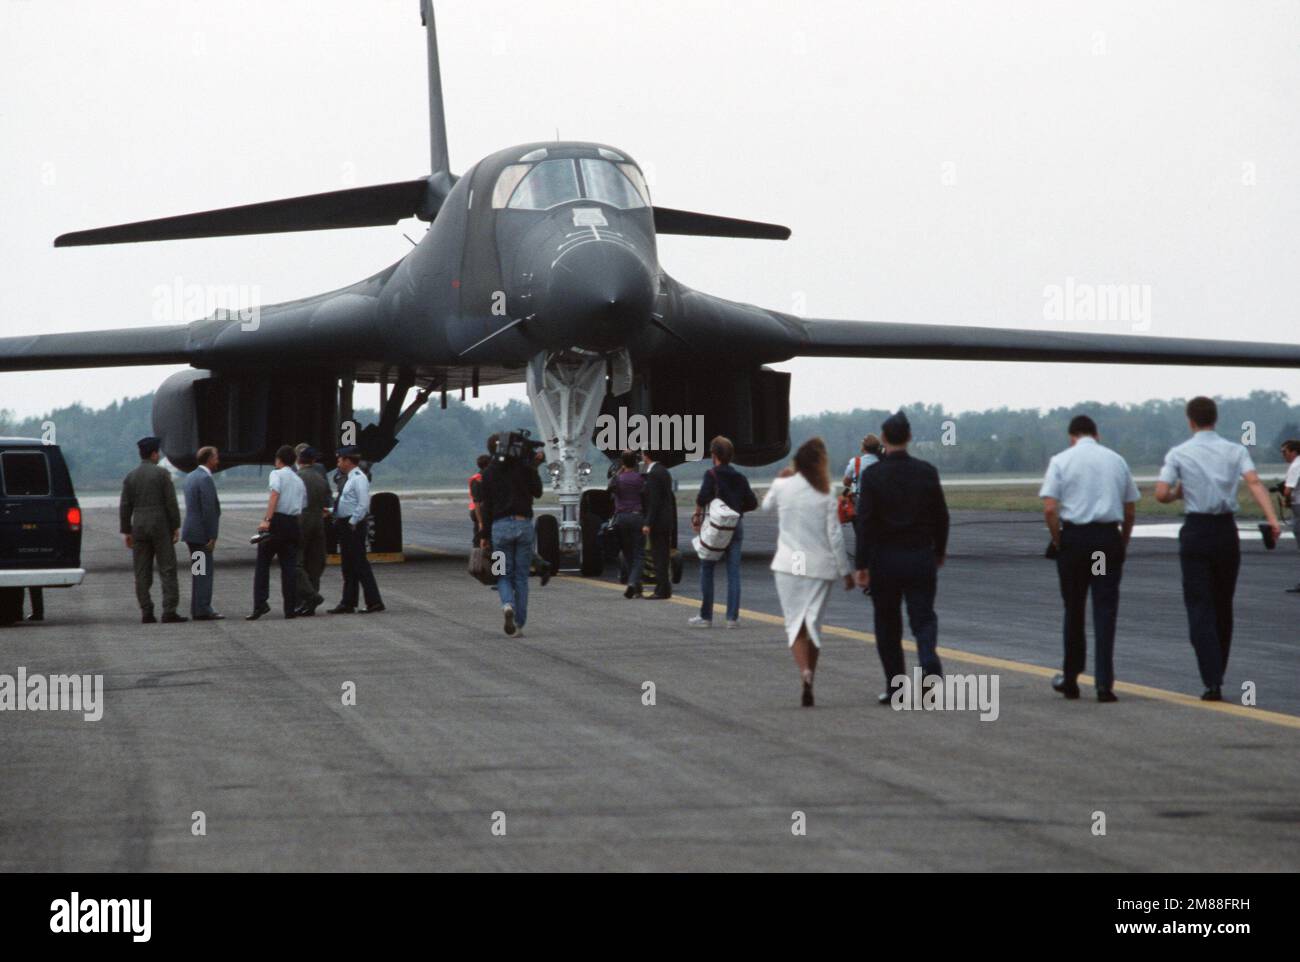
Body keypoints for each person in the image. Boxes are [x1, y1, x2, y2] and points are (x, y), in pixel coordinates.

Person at [1155, 397, 1280, 700]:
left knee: (1199, 606)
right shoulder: (1236, 450)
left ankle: (1211, 678)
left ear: (1190, 421)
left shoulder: (1179, 453)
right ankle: (1218, 672)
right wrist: (1273, 519)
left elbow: (1161, 494)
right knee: (1223, 605)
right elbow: (1253, 483)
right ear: (1215, 419)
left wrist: (1176, 494)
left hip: (1196, 531)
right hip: (1226, 532)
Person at [1038, 416, 1139, 702]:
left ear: (1072, 436)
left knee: (1074, 609)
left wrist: (1059, 541)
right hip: (1103, 544)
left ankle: (1070, 678)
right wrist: (1123, 543)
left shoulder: (1061, 460)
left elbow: (1049, 509)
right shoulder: (1116, 460)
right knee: (1104, 610)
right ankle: (1104, 684)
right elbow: (1130, 510)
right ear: (1097, 433)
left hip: (1076, 543)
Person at [854, 411, 949, 703]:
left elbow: (865, 523)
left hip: (885, 561)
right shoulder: (927, 471)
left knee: (887, 624)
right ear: (909, 438)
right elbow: (941, 517)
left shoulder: (871, 475)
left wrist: (862, 564)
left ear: (883, 440)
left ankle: (896, 687)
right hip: (920, 556)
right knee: (923, 617)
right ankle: (928, 663)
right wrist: (939, 551)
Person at [763, 438, 853, 707]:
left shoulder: (782, 486)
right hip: (818, 566)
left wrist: (779, 479)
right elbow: (835, 536)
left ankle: (803, 672)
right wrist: (845, 571)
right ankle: (810, 674)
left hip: (789, 564)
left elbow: (766, 508)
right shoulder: (827, 492)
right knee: (813, 623)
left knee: (795, 624)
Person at [689, 436, 757, 628]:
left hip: (716, 528)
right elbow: (752, 502)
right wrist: (736, 511)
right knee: (733, 572)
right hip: (736, 526)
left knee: (707, 567)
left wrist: (697, 517)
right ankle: (732, 618)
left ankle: (706, 617)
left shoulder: (711, 475)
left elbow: (702, 497)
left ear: (715, 455)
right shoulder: (740, 477)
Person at [480, 436, 544, 636]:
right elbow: (538, 492)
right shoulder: (524, 468)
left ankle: (507, 604)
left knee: (501, 574)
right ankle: (519, 624)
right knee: (521, 577)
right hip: (524, 526)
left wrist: (484, 534)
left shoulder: (489, 472)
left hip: (500, 530)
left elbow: (485, 505)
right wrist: (534, 466)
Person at [119, 436, 185, 624]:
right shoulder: (162, 474)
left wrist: (126, 530)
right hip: (160, 525)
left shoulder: (131, 476)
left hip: (138, 525)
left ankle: (146, 611)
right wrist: (175, 526)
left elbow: (124, 506)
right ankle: (169, 610)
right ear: (154, 454)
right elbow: (171, 503)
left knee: (141, 570)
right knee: (167, 568)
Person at [249, 444, 306, 621]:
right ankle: (290, 608)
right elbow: (303, 505)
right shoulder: (299, 480)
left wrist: (267, 520)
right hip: (293, 523)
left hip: (277, 521)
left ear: (279, 460)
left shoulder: (276, 474)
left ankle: (261, 603)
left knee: (263, 564)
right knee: (288, 568)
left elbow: (275, 494)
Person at [330, 446, 385, 615]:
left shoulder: (358, 478)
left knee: (360, 564)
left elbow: (363, 504)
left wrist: (353, 521)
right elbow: (348, 502)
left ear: (347, 460)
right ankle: (348, 602)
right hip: (346, 523)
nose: (338, 462)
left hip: (353, 525)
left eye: (340, 459)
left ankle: (374, 601)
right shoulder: (349, 478)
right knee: (348, 565)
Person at [181, 445, 223, 621]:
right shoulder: (205, 479)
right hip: (202, 533)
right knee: (204, 572)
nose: (218, 461)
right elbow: (209, 509)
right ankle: (204, 608)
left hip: (191, 532)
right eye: (216, 457)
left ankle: (197, 608)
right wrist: (212, 535)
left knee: (198, 571)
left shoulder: (190, 477)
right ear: (209, 459)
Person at [293, 446, 332, 616]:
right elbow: (327, 500)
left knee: (295, 562)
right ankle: (310, 606)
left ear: (298, 460)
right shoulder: (320, 478)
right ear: (313, 461)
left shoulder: (297, 478)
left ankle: (310, 596)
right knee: (315, 563)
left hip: (301, 521)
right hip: (319, 521)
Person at [608, 450, 646, 598]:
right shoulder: (640, 479)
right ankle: (633, 582)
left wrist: (618, 472)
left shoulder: (618, 479)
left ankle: (636, 586)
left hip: (621, 518)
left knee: (628, 553)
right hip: (637, 516)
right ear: (636, 462)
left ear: (623, 463)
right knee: (639, 554)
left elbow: (610, 490)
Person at [641, 450, 677, 600]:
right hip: (666, 519)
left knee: (658, 555)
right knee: (663, 555)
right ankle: (664, 587)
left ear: (647, 456)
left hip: (658, 521)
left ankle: (662, 589)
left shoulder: (654, 474)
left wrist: (648, 523)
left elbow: (654, 502)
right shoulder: (663, 471)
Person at [1281, 439, 1300, 593]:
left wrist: (1285, 500)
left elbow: (1288, 490)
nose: (1283, 455)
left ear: (1294, 452)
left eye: (1285, 452)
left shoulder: (1295, 465)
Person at [469, 453, 491, 548]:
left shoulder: (476, 478)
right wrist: (481, 521)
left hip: (475, 510)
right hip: (480, 511)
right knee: (481, 535)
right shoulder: (480, 479)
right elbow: (477, 501)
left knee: (478, 534)